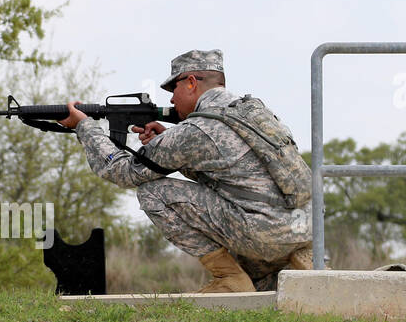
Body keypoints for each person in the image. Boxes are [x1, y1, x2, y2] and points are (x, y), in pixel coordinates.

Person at [58, 48, 312, 292]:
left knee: (152, 192)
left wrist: (85, 127)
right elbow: (233, 173)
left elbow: (122, 171)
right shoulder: (252, 112)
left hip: (262, 233)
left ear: (191, 82)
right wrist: (169, 140)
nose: (170, 98)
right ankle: (288, 265)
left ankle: (229, 278)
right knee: (258, 268)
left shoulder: (196, 130)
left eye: (173, 87)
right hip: (303, 228)